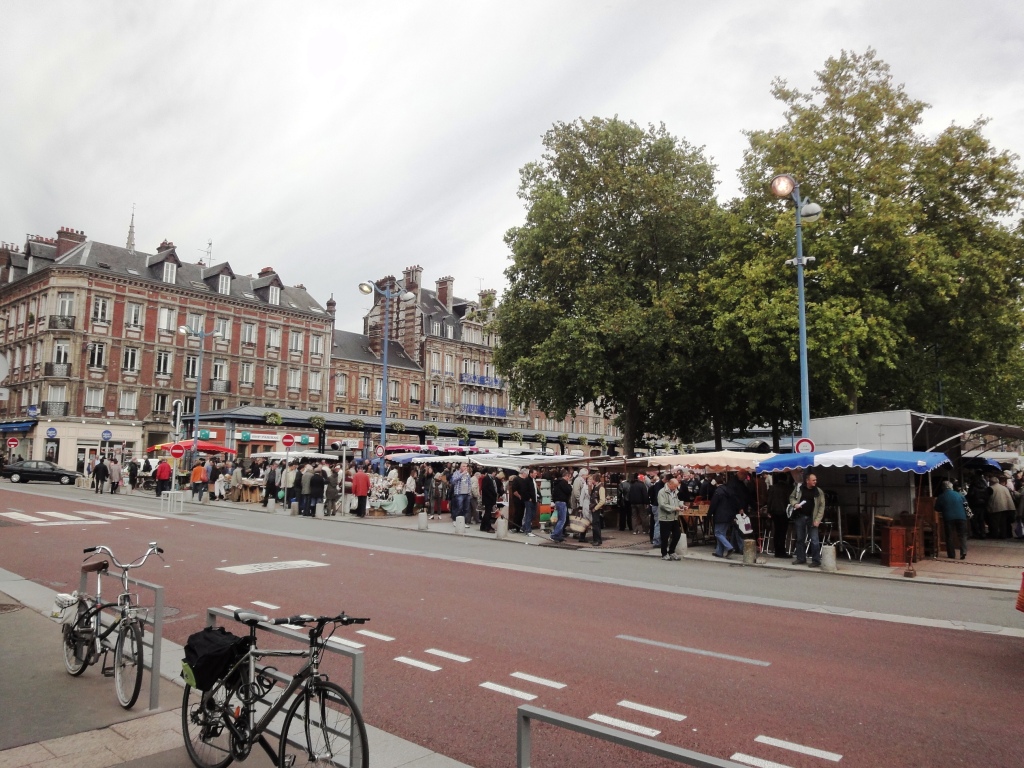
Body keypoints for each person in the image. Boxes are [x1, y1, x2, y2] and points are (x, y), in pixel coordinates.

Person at [789, 472, 825, 567]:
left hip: (812, 517)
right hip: (800, 516)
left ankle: (816, 560)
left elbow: (821, 506)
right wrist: (795, 504)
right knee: (800, 538)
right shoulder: (799, 488)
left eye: (815, 480)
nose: (815, 482)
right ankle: (801, 558)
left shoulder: (818, 491)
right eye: (813, 480)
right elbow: (791, 497)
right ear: (807, 481)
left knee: (814, 539)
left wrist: (818, 519)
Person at [935, 480, 968, 559]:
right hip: (961, 517)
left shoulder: (941, 496)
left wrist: (944, 509)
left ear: (943, 488)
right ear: (951, 487)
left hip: (948, 518)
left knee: (949, 536)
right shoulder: (959, 495)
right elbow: (966, 505)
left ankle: (951, 554)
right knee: (962, 535)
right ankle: (963, 552)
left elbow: (937, 508)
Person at [765, 473, 793, 559]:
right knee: (783, 532)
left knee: (776, 531)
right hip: (784, 512)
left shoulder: (773, 488)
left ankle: (777, 550)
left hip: (774, 512)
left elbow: (769, 500)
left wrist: (769, 511)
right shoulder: (788, 488)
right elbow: (789, 500)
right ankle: (782, 551)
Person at [657, 476, 684, 560]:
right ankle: (664, 553)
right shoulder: (662, 492)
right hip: (665, 518)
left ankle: (671, 551)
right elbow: (662, 505)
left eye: (676, 486)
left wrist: (681, 505)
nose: (676, 488)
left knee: (677, 534)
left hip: (674, 517)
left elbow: (677, 500)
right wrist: (674, 508)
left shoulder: (674, 491)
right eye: (674, 486)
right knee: (665, 537)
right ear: (670, 484)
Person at [986, 475, 1015, 540]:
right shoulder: (1004, 488)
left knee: (994, 522)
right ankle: (1003, 535)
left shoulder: (990, 488)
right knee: (1003, 523)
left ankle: (994, 535)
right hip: (1006, 507)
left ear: (991, 482)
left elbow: (987, 498)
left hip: (996, 507)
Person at [550, 469, 572, 542]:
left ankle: (559, 535)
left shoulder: (557, 482)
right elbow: (569, 490)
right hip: (562, 502)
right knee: (562, 520)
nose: (569, 479)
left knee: (560, 519)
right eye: (569, 477)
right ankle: (554, 535)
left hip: (557, 502)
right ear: (566, 476)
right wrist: (569, 484)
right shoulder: (563, 482)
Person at [520, 468, 538, 537]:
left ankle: (524, 527)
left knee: (533, 515)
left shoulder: (533, 480)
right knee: (529, 515)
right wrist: (528, 498)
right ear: (531, 473)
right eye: (535, 473)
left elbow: (535, 490)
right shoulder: (526, 480)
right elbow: (524, 490)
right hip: (529, 500)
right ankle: (528, 530)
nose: (536, 474)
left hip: (534, 499)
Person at [480, 467, 499, 533]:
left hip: (491, 498)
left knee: (487, 513)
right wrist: (491, 496)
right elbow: (485, 489)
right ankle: (487, 527)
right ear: (493, 472)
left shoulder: (491, 478)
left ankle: (483, 526)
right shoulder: (487, 478)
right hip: (488, 499)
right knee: (488, 513)